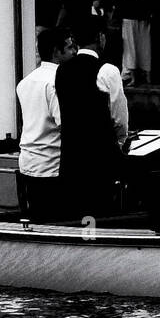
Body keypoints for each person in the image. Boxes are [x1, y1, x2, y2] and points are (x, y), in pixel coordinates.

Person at [54, 18, 130, 218]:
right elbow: (119, 118)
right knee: (102, 215)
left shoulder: (61, 70)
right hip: (100, 158)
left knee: (74, 216)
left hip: (71, 156)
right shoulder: (107, 70)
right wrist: (120, 142)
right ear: (100, 37)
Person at [15, 26, 78, 220]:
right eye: (69, 48)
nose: (74, 51)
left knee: (35, 220)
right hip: (52, 167)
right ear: (56, 52)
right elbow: (66, 125)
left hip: (28, 162)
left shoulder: (25, 82)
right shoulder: (56, 82)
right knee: (57, 222)